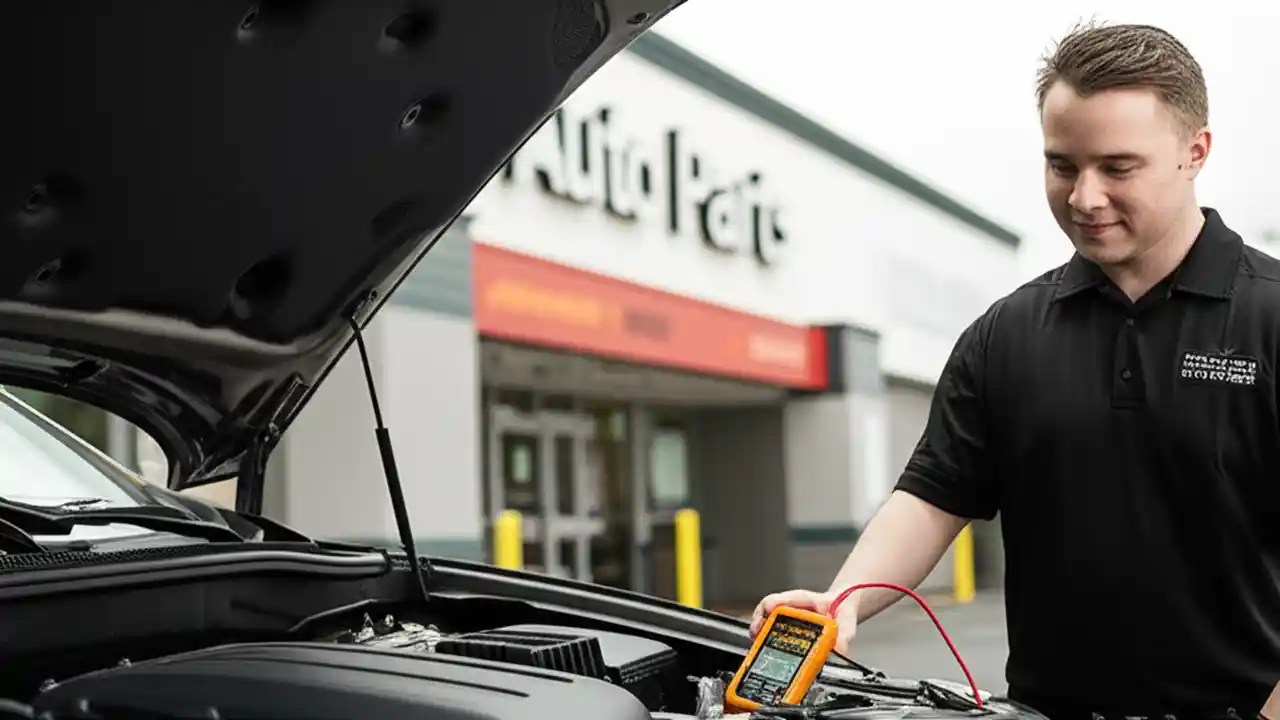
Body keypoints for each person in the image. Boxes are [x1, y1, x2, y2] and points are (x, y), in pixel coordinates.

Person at [751, 21, 1280, 720]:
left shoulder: (1270, 317)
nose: (1084, 197)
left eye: (1118, 168)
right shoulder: (1006, 333)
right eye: (1062, 165)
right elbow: (932, 497)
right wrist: (842, 599)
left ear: (1195, 152)